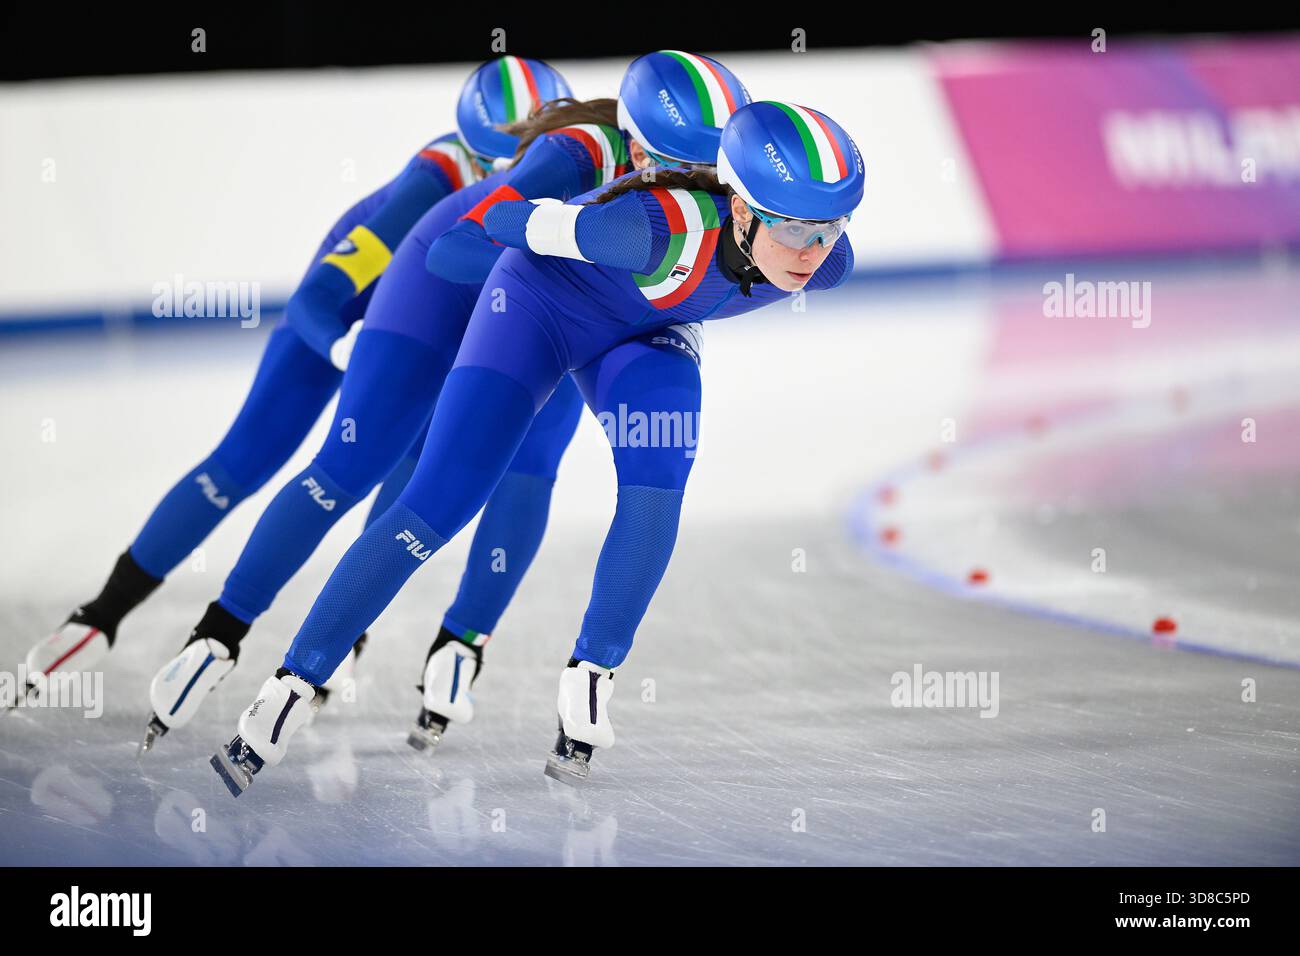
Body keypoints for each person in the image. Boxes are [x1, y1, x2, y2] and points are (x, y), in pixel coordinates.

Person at [211, 99, 864, 793]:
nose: (811, 252)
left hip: (644, 337)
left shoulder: (829, 264)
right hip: (537, 314)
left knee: (659, 477)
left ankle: (592, 676)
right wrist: (530, 209)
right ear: (740, 210)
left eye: (830, 229)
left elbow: (762, 267)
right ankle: (291, 684)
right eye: (794, 228)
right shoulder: (644, 228)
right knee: (438, 502)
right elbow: (501, 222)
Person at [138, 51, 749, 754]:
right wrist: (571, 253)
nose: (696, 187)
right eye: (680, 167)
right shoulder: (572, 152)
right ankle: (221, 631)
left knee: (530, 466)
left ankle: (462, 644)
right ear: (636, 146)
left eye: (712, 173)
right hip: (456, 291)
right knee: (355, 465)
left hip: (573, 312)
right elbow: (455, 250)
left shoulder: (719, 188)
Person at [12, 57, 571, 712]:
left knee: (418, 457)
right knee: (247, 459)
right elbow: (318, 297)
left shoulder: (557, 171)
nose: (519, 185)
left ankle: (354, 631)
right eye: (501, 173)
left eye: (534, 167)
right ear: (475, 161)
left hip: (435, 319)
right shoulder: (429, 186)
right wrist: (341, 345)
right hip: (350, 317)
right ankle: (104, 613)